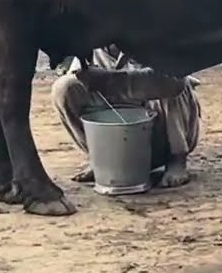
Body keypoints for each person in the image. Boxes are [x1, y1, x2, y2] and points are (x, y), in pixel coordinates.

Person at [51, 45, 202, 189]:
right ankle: (103, 160)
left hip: (161, 139)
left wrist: (111, 81)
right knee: (65, 88)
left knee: (171, 79)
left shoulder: (150, 33)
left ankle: (177, 159)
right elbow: (77, 77)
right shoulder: (92, 42)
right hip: (121, 143)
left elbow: (174, 80)